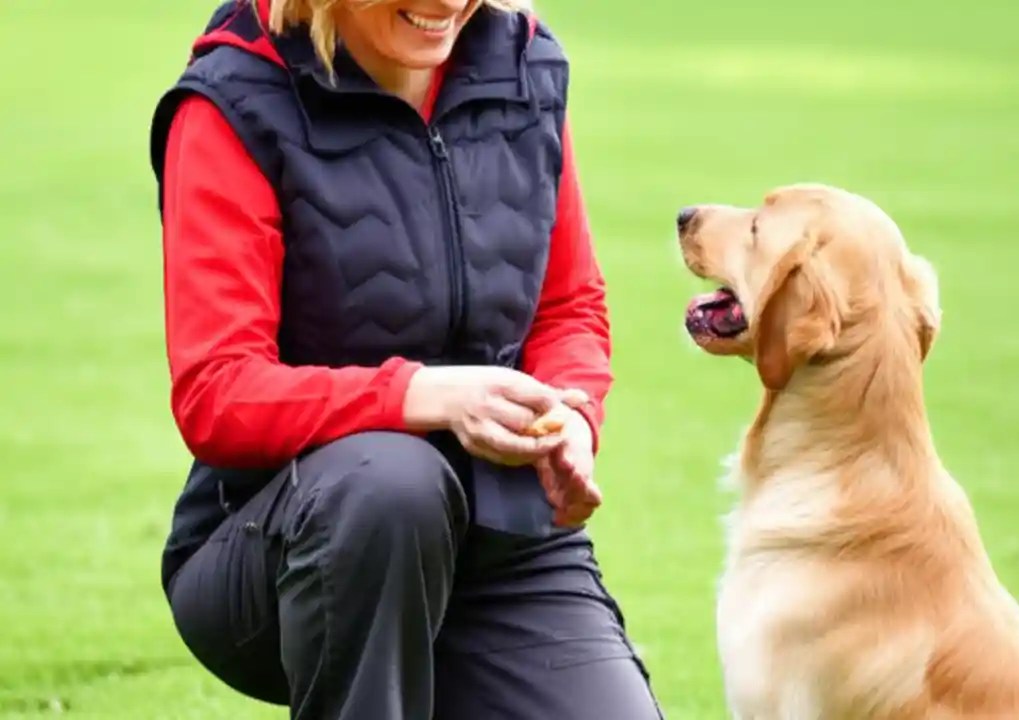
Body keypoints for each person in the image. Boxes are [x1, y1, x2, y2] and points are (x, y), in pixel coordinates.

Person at [147, 0, 664, 717]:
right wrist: (425, 396)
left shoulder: (524, 65)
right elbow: (219, 390)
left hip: (501, 542)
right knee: (392, 481)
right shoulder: (235, 100)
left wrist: (572, 414)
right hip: (290, 551)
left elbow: (566, 306)